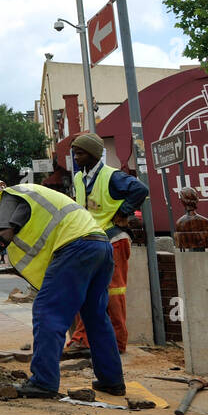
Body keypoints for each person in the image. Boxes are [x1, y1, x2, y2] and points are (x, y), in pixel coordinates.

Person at [0, 177, 123, 398]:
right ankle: (112, 380)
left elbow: (3, 236)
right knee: (96, 317)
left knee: (47, 312)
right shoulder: (33, 195)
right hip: (99, 245)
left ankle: (44, 382)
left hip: (75, 248)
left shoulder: (10, 195)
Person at [64, 132, 148, 355]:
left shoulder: (111, 176)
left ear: (93, 154)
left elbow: (141, 189)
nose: (76, 157)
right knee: (88, 291)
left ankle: (117, 343)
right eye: (74, 153)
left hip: (113, 240)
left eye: (80, 153)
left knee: (113, 292)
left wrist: (124, 211)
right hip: (92, 241)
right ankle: (84, 339)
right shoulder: (79, 178)